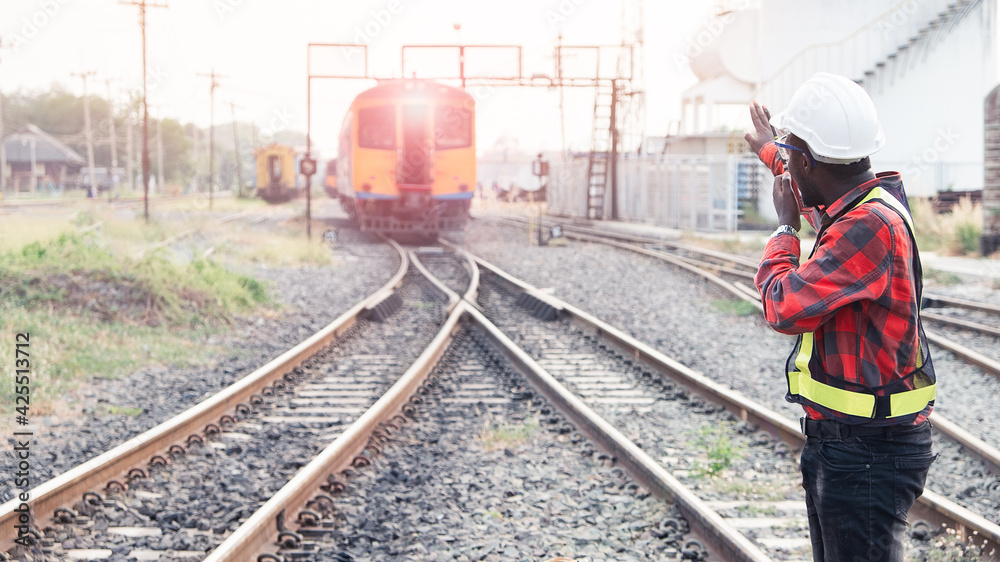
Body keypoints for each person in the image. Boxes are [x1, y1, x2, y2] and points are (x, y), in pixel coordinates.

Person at [745, 73, 937, 562]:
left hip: (869, 453)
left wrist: (784, 228)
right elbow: (818, 202)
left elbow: (782, 305)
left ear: (808, 161)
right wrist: (772, 151)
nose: (788, 165)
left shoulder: (869, 226)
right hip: (849, 445)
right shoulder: (861, 205)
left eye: (792, 157)